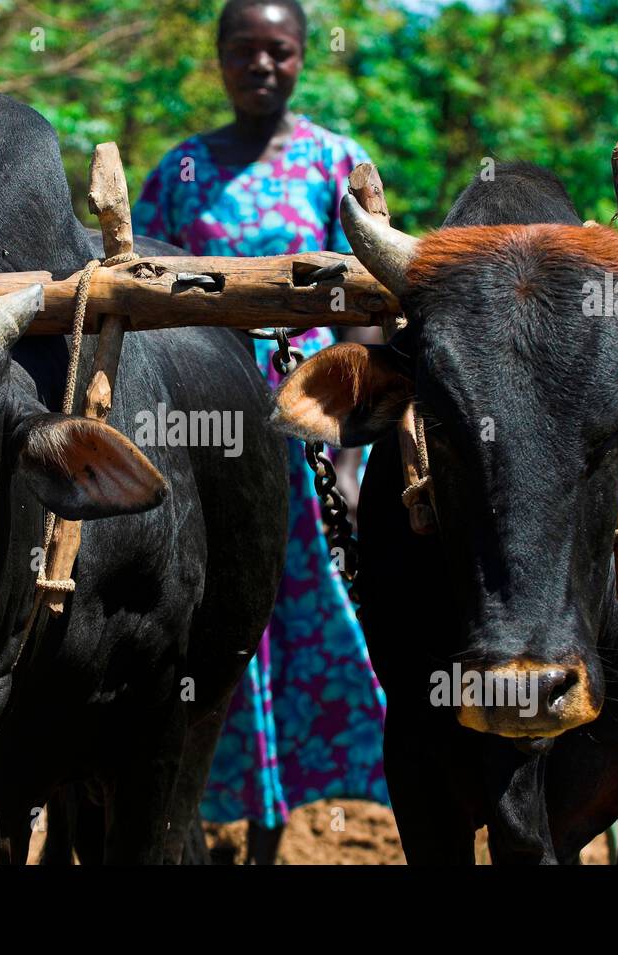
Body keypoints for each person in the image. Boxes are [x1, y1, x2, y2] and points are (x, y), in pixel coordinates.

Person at [132, 0, 389, 864]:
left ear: (301, 58)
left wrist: (350, 450)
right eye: (244, 51)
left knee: (295, 623)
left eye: (278, 52)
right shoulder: (180, 172)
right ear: (219, 59)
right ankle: (193, 808)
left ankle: (282, 822)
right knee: (197, 624)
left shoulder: (337, 165)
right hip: (200, 443)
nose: (262, 67)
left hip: (304, 438)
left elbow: (368, 313)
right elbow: (136, 294)